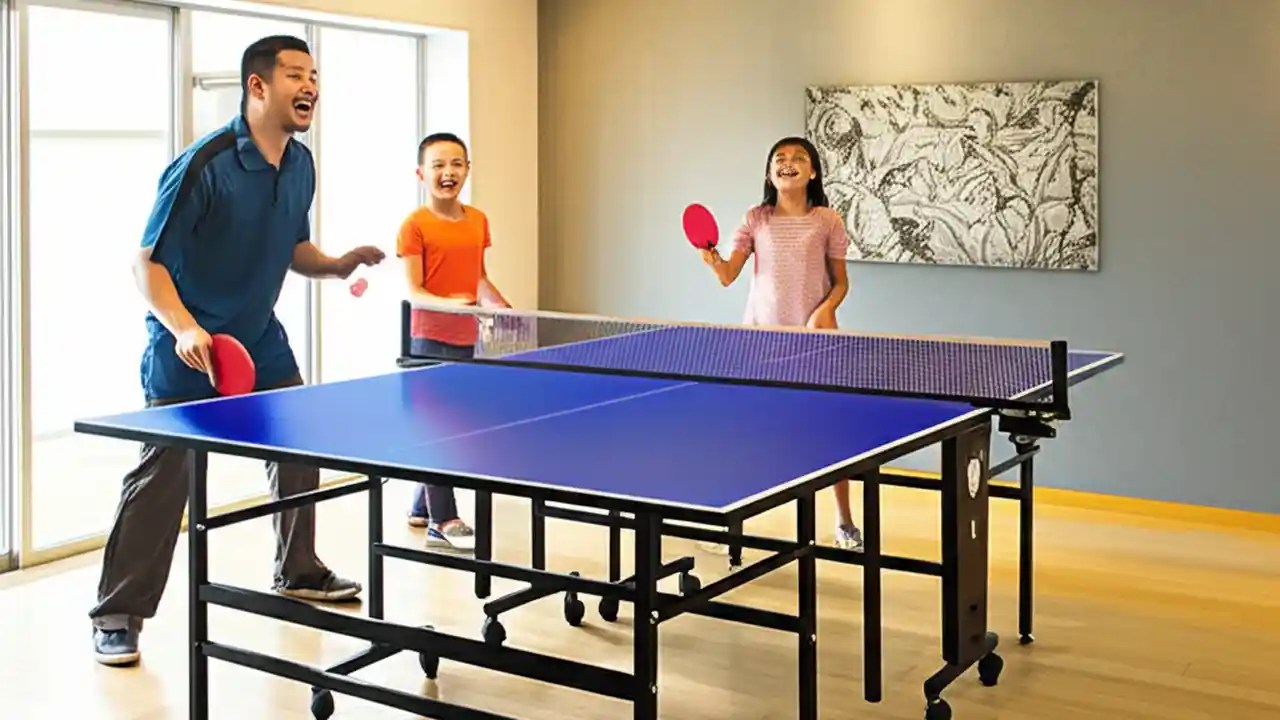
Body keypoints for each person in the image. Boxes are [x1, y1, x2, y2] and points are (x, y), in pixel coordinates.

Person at [90, 35, 385, 666]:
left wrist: (334, 265)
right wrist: (184, 328)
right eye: (295, 76)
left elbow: (290, 246)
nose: (310, 87)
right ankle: (118, 612)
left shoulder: (300, 164)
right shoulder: (205, 164)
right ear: (257, 87)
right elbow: (147, 267)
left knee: (299, 440)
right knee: (164, 477)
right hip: (191, 346)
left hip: (258, 339)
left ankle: (298, 568)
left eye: (314, 76)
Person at [697, 136, 863, 551]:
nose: (787, 163)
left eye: (798, 158)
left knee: (829, 434)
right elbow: (728, 276)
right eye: (779, 158)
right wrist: (713, 259)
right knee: (744, 431)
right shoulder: (756, 218)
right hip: (760, 343)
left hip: (816, 343)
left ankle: (844, 521)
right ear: (770, 171)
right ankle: (728, 524)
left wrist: (825, 310)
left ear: (813, 171)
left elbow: (841, 282)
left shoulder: (828, 220)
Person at [396, 131, 510, 552]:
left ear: (467, 169)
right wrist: (453, 304)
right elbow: (414, 289)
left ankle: (421, 504)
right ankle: (443, 519)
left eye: (456, 164)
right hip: (427, 341)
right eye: (438, 165)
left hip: (469, 340)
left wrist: (501, 307)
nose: (448, 172)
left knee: (457, 426)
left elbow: (478, 278)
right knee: (440, 429)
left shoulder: (478, 220)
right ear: (421, 173)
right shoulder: (414, 226)